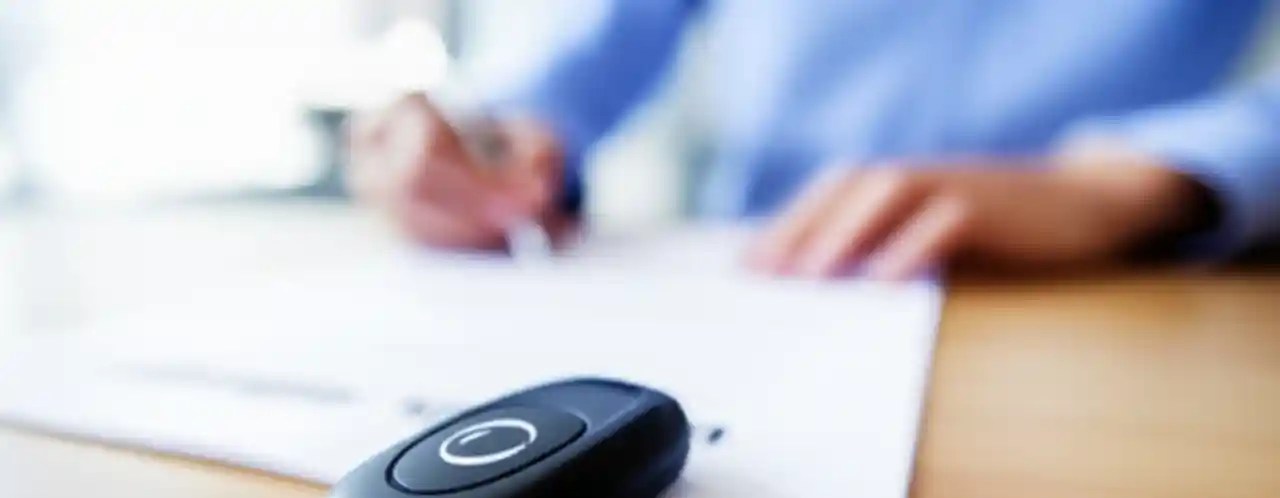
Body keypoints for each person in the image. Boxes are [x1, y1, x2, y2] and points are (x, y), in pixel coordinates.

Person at [348, 1, 1280, 280]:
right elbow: (590, 49)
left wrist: (1135, 183)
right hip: (772, 279)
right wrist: (501, 138)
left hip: (1114, 297)